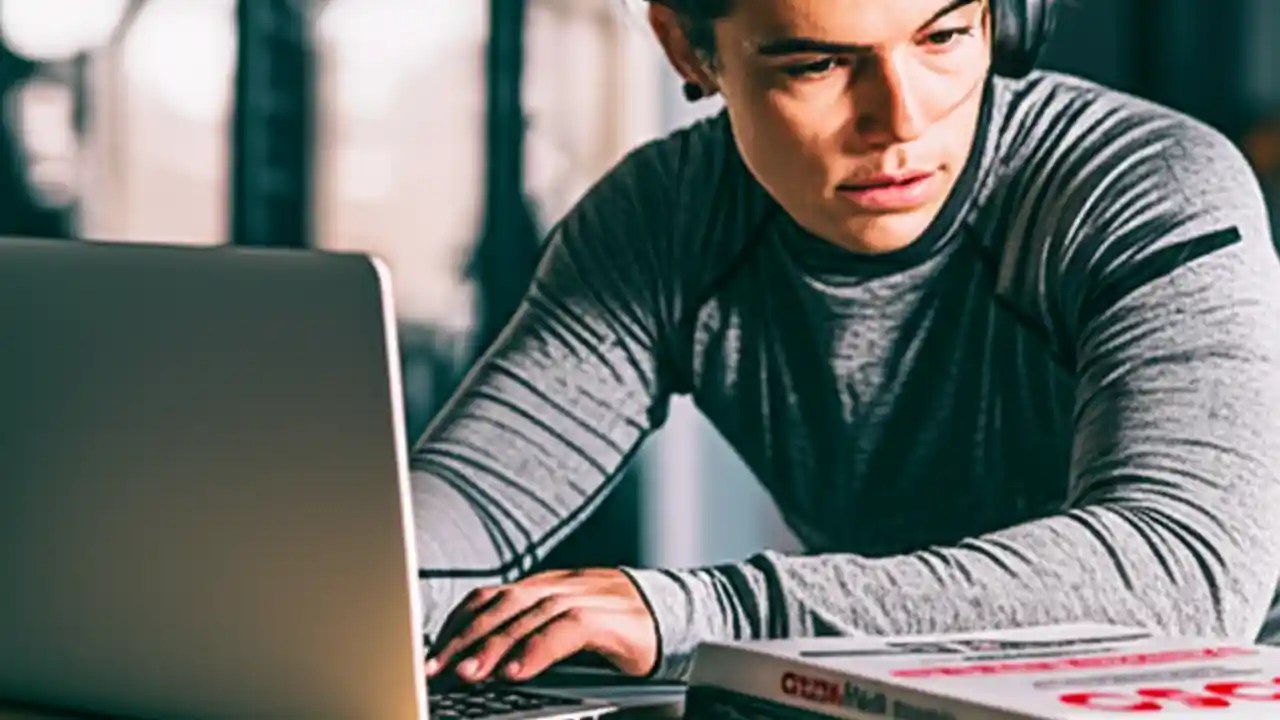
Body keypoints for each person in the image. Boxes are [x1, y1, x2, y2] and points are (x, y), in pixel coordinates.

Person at [414, 0, 1280, 685]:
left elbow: (1184, 578)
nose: (900, 120)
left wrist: (701, 612)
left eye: (942, 35)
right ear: (688, 49)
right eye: (817, 63)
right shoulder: (663, 220)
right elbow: (447, 531)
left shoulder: (1148, 188)